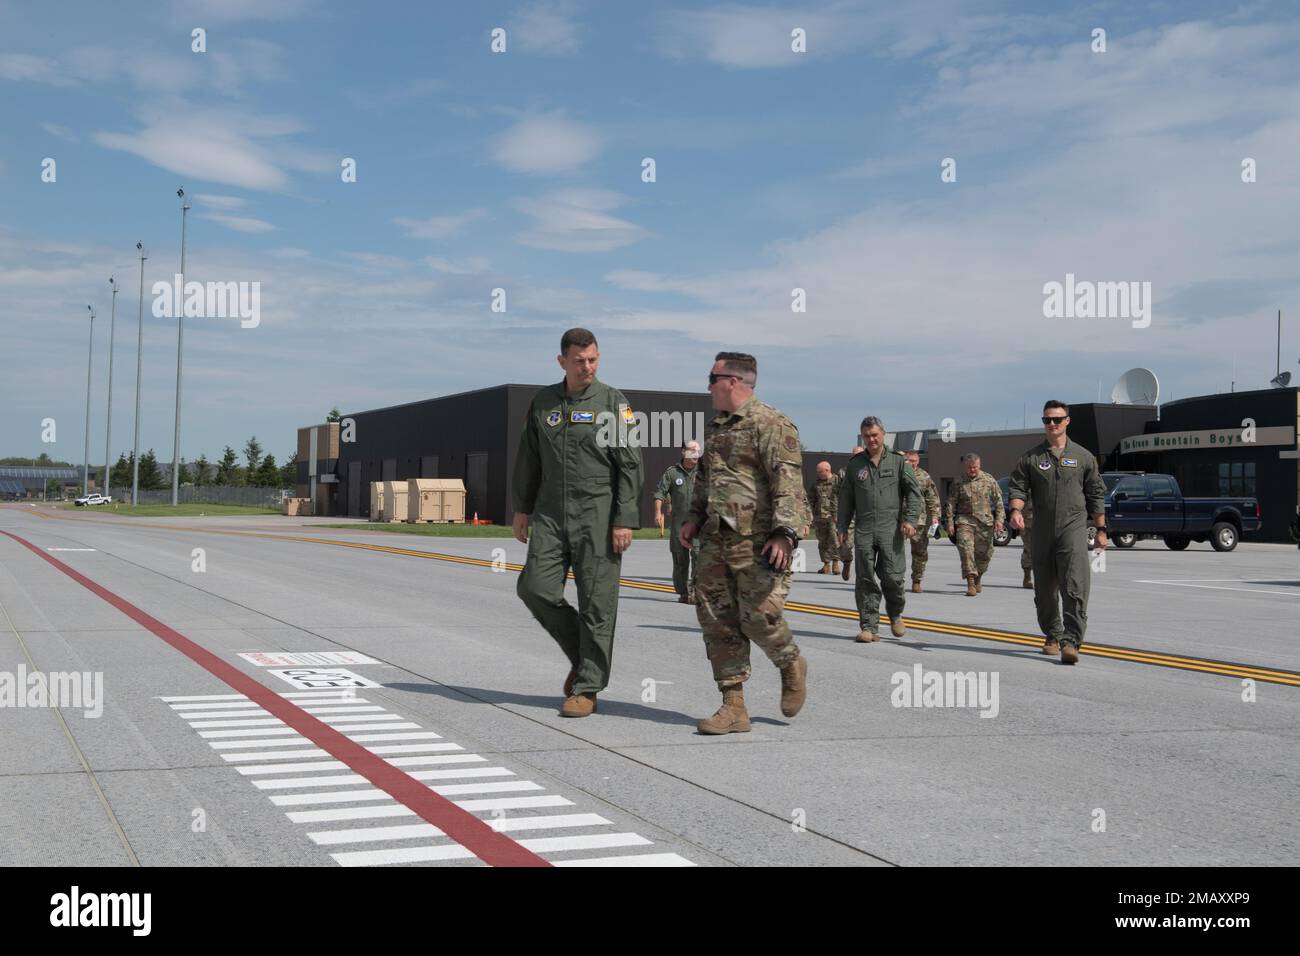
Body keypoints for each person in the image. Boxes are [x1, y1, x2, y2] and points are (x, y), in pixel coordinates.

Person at [512, 328, 644, 717]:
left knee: (597, 605)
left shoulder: (612, 403)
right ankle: (584, 655)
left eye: (593, 360)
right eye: (579, 361)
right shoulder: (543, 402)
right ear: (562, 362)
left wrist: (624, 519)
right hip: (551, 513)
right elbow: (529, 458)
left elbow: (630, 464)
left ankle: (587, 687)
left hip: (599, 515)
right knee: (534, 587)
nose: (587, 367)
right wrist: (523, 508)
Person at [679, 352, 810, 735]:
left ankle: (790, 663)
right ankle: (733, 705)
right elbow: (705, 480)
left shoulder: (770, 423)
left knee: (758, 618)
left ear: (732, 381)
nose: (707, 386)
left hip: (759, 542)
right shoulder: (716, 427)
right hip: (716, 539)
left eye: (712, 377)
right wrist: (694, 517)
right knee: (717, 621)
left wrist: (785, 534)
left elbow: (788, 484)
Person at [1008, 400, 1108, 665]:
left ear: (1067, 421)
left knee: (1074, 585)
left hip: (1072, 529)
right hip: (1041, 531)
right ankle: (1052, 635)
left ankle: (1071, 641)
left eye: (1056, 419)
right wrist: (1015, 511)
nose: (1051, 424)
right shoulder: (1031, 457)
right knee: (1044, 590)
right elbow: (1018, 487)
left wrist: (1101, 529)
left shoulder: (1084, 457)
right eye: (1047, 420)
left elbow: (1096, 494)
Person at [836, 418, 921, 643]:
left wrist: (910, 520)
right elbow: (846, 499)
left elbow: (913, 493)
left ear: (883, 434)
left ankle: (895, 613)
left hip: (890, 529)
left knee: (892, 577)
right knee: (864, 578)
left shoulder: (898, 462)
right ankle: (869, 626)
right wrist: (842, 526)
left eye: (874, 434)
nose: (871, 439)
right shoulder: (855, 465)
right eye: (866, 436)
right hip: (864, 528)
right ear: (862, 437)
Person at [944, 453, 1004, 597]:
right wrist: (950, 522)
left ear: (979, 465)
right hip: (965, 521)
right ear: (966, 467)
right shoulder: (958, 481)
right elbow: (951, 503)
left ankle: (978, 577)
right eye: (970, 467)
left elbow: (999, 502)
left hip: (985, 523)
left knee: (985, 555)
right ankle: (970, 582)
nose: (973, 470)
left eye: (975, 467)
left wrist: (999, 520)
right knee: (966, 550)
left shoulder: (989, 480)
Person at [654, 440, 702, 603]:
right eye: (692, 450)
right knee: (680, 560)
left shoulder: (704, 472)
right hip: (678, 525)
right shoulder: (672, 473)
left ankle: (696, 592)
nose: (696, 453)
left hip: (698, 525)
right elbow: (660, 493)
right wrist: (658, 512)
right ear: (683, 452)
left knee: (698, 557)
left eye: (698, 450)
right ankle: (683, 592)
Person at [902, 450, 941, 593]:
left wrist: (935, 516)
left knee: (920, 552)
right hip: (899, 519)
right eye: (909, 461)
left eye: (915, 461)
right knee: (896, 551)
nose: (912, 464)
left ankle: (916, 580)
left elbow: (933, 498)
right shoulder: (898, 473)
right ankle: (898, 579)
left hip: (919, 520)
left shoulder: (925, 477)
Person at [835, 446, 865, 580]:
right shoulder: (843, 472)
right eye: (854, 455)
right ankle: (847, 562)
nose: (856, 457)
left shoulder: (871, 470)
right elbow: (835, 494)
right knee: (845, 545)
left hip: (865, 514)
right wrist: (837, 513)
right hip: (849, 514)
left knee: (865, 547)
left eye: (859, 454)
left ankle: (863, 576)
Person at [807, 460, 840, 574]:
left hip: (833, 516)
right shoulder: (816, 484)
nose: (818, 474)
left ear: (827, 470)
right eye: (817, 472)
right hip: (819, 517)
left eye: (820, 472)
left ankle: (835, 563)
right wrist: (810, 515)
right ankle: (826, 565)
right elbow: (810, 500)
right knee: (822, 541)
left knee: (834, 540)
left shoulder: (838, 481)